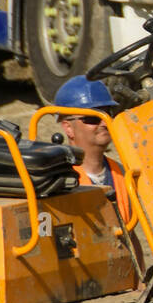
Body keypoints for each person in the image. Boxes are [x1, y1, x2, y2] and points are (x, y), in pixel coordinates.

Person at [54, 76, 144, 270]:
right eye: (93, 118)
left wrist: (140, 282)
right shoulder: (56, 177)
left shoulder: (122, 172)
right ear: (68, 127)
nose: (104, 123)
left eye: (107, 114)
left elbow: (129, 234)